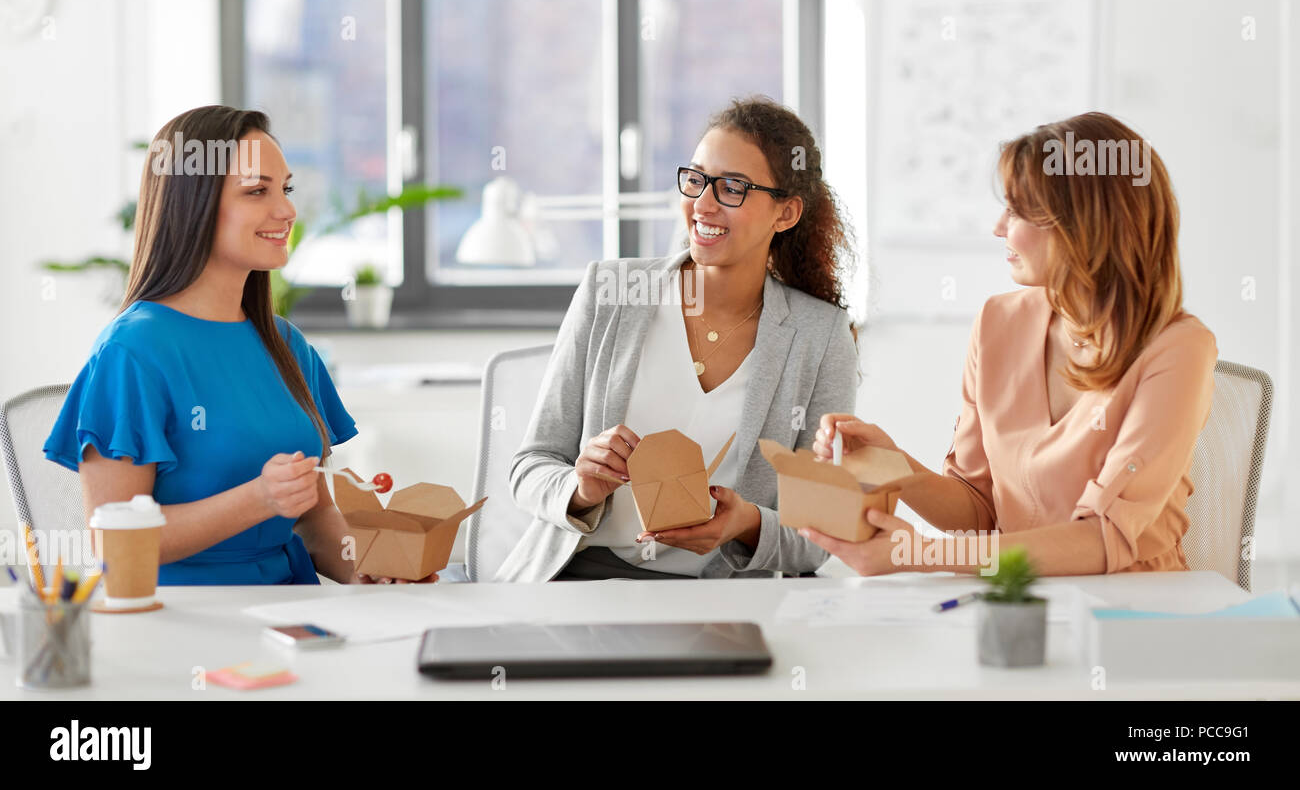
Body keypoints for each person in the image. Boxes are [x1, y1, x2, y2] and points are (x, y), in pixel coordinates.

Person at [802, 111, 1217, 577]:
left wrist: (918, 554)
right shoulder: (998, 323)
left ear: (1083, 226)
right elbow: (980, 506)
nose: (999, 227)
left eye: (1017, 211)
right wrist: (889, 465)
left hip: (1131, 611)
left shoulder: (1178, 349)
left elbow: (1105, 537)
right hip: (1014, 597)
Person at [44, 106, 412, 584]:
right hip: (185, 623)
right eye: (257, 191)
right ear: (191, 205)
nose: (286, 210)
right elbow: (115, 545)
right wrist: (258, 498)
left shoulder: (287, 344)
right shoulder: (132, 352)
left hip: (289, 618)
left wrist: (375, 571)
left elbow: (316, 520)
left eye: (286, 188)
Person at [497, 96, 859, 581]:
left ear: (786, 213)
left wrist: (747, 525)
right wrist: (580, 489)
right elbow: (530, 467)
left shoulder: (821, 335)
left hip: (714, 600)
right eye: (696, 179)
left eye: (733, 187)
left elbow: (820, 532)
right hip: (576, 580)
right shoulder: (612, 293)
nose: (703, 204)